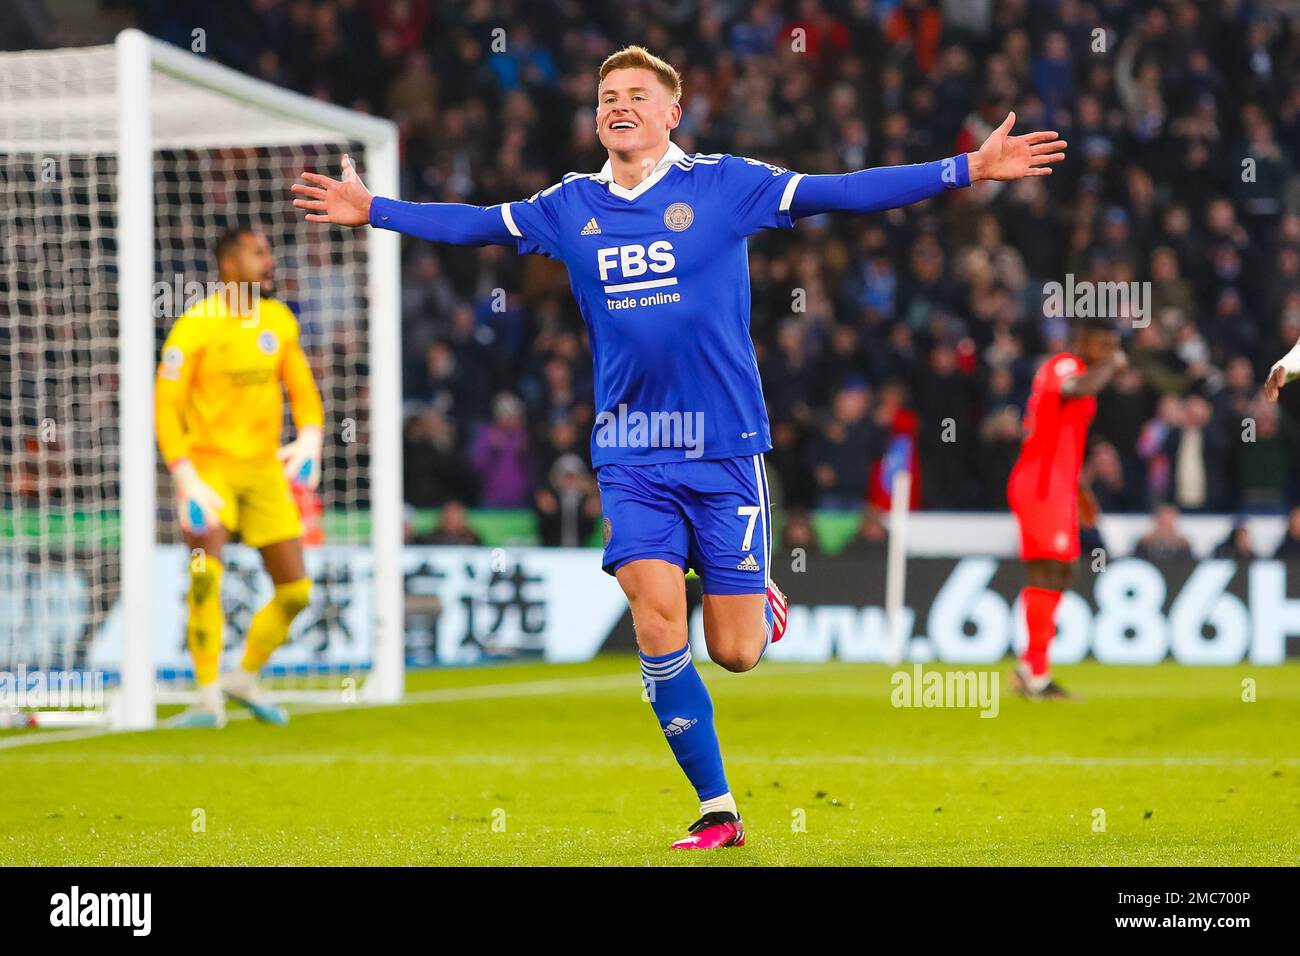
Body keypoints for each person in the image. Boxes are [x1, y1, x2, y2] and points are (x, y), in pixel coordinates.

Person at [293, 45, 1066, 849]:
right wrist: (374, 208)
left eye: (635, 94)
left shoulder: (725, 185)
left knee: (734, 653)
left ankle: (752, 595)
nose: (617, 105)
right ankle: (718, 807)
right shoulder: (571, 205)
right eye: (605, 96)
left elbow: (843, 192)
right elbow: (478, 224)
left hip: (724, 447)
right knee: (655, 616)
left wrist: (962, 169)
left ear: (672, 113)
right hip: (629, 451)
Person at [154, 227, 323, 728]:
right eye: (258, 253)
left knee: (296, 592)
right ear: (229, 266)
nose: (269, 261)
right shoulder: (196, 325)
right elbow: (166, 407)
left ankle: (244, 676)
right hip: (209, 473)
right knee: (205, 578)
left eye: (269, 251)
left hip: (264, 469)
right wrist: (184, 474)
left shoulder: (278, 319)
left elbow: (303, 388)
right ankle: (207, 697)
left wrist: (311, 436)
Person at [1006, 318, 1124, 700]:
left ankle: (1031, 667)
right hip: (1040, 485)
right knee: (1047, 568)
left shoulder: (1078, 370)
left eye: (1111, 346)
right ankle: (1035, 674)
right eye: (1102, 344)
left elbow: (1063, 440)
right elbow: (1077, 388)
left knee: (1062, 569)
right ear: (1083, 340)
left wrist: (1080, 489)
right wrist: (1112, 365)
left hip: (1057, 486)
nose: (1107, 352)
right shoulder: (1066, 366)